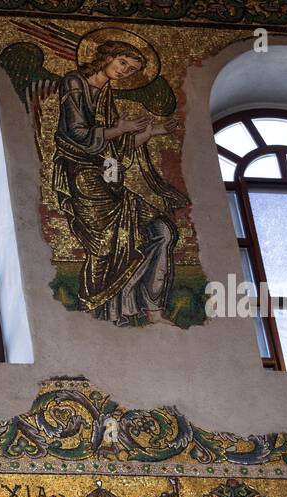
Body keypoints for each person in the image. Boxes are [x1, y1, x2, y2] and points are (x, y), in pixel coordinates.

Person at [52, 39, 187, 325]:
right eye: (123, 62)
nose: (126, 71)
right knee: (109, 246)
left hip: (108, 178)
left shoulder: (107, 95)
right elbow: (77, 135)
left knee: (162, 231)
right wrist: (119, 129)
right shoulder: (75, 83)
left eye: (132, 69)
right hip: (84, 179)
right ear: (107, 56)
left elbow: (114, 150)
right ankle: (105, 308)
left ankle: (151, 310)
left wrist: (151, 133)